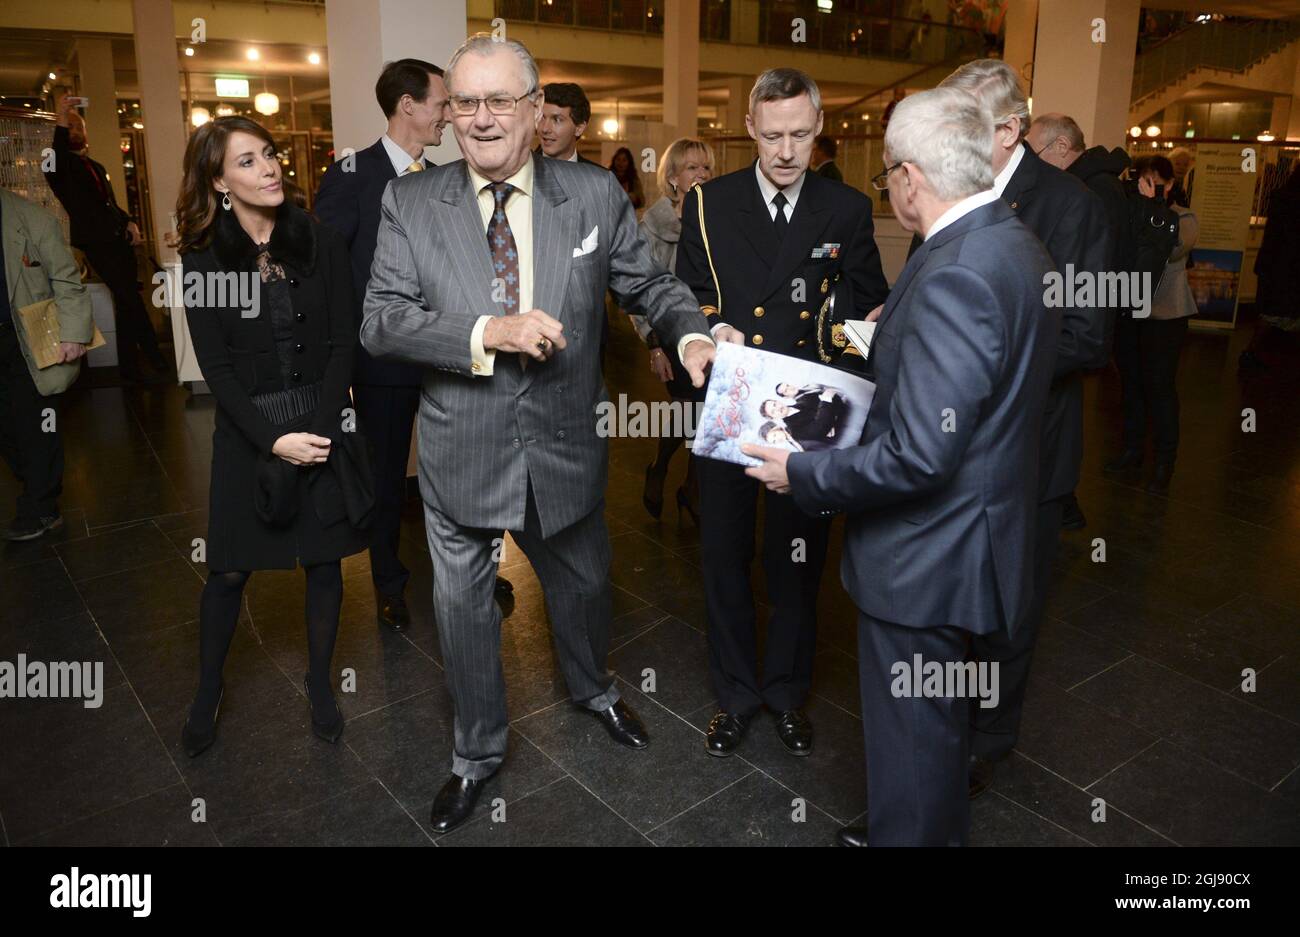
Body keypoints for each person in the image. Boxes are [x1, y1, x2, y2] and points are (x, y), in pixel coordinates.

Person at [360, 35, 716, 835]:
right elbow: (381, 322)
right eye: (465, 103)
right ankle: (476, 753)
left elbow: (650, 282)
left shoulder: (591, 196)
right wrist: (490, 329)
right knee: (462, 612)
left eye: (499, 102)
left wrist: (687, 333)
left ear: (534, 110)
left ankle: (593, 690)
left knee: (585, 587)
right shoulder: (411, 204)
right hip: (461, 452)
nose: (481, 120)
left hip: (565, 445)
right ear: (447, 114)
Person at [744, 87, 1058, 846]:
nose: (888, 187)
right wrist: (897, 335)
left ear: (911, 177)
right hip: (976, 537)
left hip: (929, 557)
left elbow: (920, 452)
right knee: (938, 733)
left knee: (913, 741)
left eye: (887, 175)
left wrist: (805, 474)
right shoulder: (1008, 242)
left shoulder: (955, 272)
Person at [675, 67, 889, 759]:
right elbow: (686, 293)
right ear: (749, 128)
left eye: (800, 134)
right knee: (724, 555)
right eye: (772, 136)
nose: (787, 150)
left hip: (808, 419)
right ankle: (736, 694)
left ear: (819, 127)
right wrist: (710, 329)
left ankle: (788, 692)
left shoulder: (848, 208)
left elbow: (865, 312)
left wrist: (861, 343)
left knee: (797, 561)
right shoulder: (708, 202)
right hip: (732, 406)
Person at [937, 59, 1111, 798]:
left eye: (964, 123)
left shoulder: (1072, 207)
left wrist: (973, 358)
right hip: (946, 447)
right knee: (951, 602)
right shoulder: (955, 189)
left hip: (1027, 453)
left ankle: (988, 740)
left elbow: (1087, 335)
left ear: (1009, 130)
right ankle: (942, 724)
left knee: (1010, 610)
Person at [173, 116, 371, 759]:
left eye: (270, 155)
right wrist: (272, 441)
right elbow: (218, 370)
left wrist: (317, 432)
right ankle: (207, 691)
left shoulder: (315, 237)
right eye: (249, 161)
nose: (269, 168)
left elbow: (345, 340)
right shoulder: (202, 255)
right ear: (219, 181)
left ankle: (320, 686)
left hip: (318, 423)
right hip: (248, 431)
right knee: (228, 572)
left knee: (323, 563)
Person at [314, 59, 513, 631]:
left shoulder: (450, 176)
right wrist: (345, 359)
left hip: (453, 352)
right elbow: (331, 272)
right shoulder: (352, 174)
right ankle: (388, 582)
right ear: (408, 105)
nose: (450, 116)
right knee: (383, 474)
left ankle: (477, 569)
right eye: (443, 103)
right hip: (385, 361)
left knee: (466, 470)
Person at [1026, 112, 1132, 530]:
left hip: (1076, 336)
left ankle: (1062, 504)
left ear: (1061, 148)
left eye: (1033, 153)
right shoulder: (1094, 186)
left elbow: (1092, 281)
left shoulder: (1086, 193)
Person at [43, 97, 168, 384]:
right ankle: (156, 359)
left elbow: (108, 204)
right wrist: (62, 116)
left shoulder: (96, 166)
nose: (75, 131)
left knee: (126, 304)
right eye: (69, 127)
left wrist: (130, 221)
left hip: (118, 241)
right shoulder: (59, 167)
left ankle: (130, 371)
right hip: (97, 244)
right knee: (131, 300)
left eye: (78, 126)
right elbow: (55, 160)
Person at [0, 188, 93, 541]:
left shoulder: (32, 219)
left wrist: (73, 333)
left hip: (26, 336)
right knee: (7, 429)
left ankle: (40, 505)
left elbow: (67, 280)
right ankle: (37, 483)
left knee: (38, 423)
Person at [633, 136, 714, 521]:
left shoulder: (718, 218)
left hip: (713, 329)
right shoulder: (653, 225)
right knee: (688, 410)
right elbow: (638, 289)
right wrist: (654, 344)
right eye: (692, 168)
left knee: (707, 412)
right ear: (673, 177)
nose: (701, 174)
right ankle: (662, 468)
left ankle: (692, 489)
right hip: (671, 332)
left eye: (706, 167)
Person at [1107, 155, 1199, 493]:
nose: (1146, 186)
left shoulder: (1183, 218)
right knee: (1131, 384)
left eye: (1155, 181)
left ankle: (1164, 460)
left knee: (1159, 387)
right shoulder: (1131, 211)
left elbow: (1167, 251)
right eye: (1141, 180)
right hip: (1131, 310)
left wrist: (1153, 207)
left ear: (1170, 184)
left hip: (1165, 315)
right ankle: (1132, 449)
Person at [1242, 165, 1300, 371]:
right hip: (1288, 267)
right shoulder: (1290, 203)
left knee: (1269, 312)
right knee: (1277, 312)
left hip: (1272, 265)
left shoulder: (1280, 199)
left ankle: (1253, 353)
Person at [537, 82, 597, 164]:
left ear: (579, 128)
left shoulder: (598, 176)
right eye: (541, 118)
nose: (545, 129)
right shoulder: (518, 172)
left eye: (556, 120)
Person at [609, 146, 645, 210]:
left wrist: (634, 198)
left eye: (624, 160)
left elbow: (642, 201)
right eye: (618, 159)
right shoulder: (608, 177)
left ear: (629, 162)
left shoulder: (633, 179)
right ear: (614, 161)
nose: (621, 163)